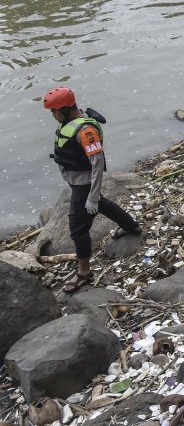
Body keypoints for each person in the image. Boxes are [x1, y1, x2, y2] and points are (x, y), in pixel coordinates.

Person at [43, 86, 141, 294]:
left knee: (78, 230)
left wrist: (92, 196)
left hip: (84, 185)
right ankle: (131, 226)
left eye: (54, 111)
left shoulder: (86, 132)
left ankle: (84, 272)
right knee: (103, 205)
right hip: (76, 181)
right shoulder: (70, 122)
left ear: (68, 109)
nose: (53, 115)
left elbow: (97, 164)